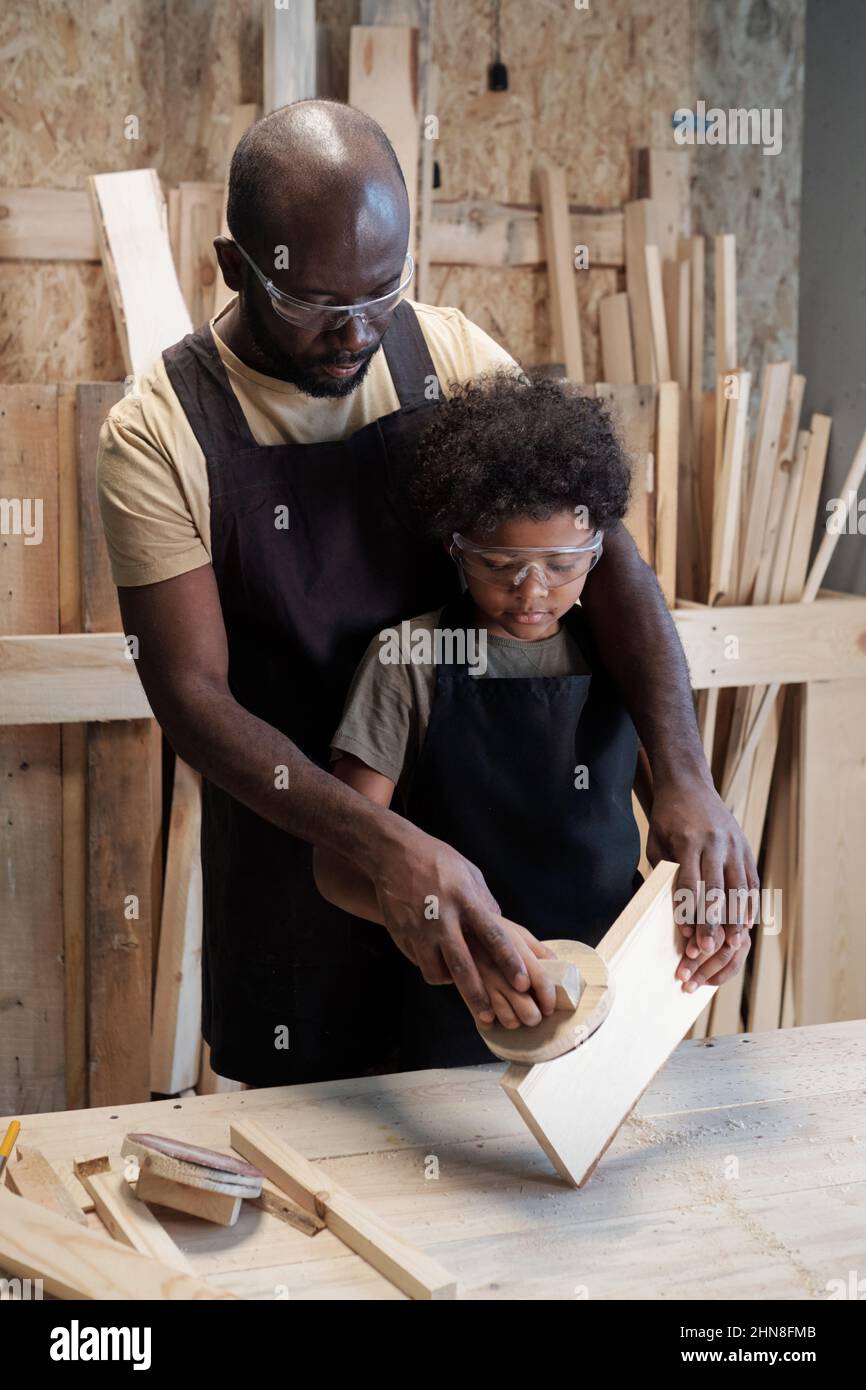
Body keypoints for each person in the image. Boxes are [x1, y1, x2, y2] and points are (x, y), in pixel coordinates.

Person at [98, 99, 755, 1087]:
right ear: (237, 269)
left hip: (497, 869)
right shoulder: (158, 434)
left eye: (382, 290)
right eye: (320, 304)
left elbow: (603, 554)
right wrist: (381, 841)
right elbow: (191, 699)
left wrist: (681, 772)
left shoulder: (443, 356)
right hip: (309, 874)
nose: (358, 331)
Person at [314, 371, 665, 1067]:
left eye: (564, 566)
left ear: (599, 550)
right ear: (456, 546)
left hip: (607, 997)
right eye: (501, 564)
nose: (533, 592)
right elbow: (339, 865)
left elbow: (677, 835)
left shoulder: (630, 658)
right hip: (455, 1002)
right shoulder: (410, 659)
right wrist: (452, 930)